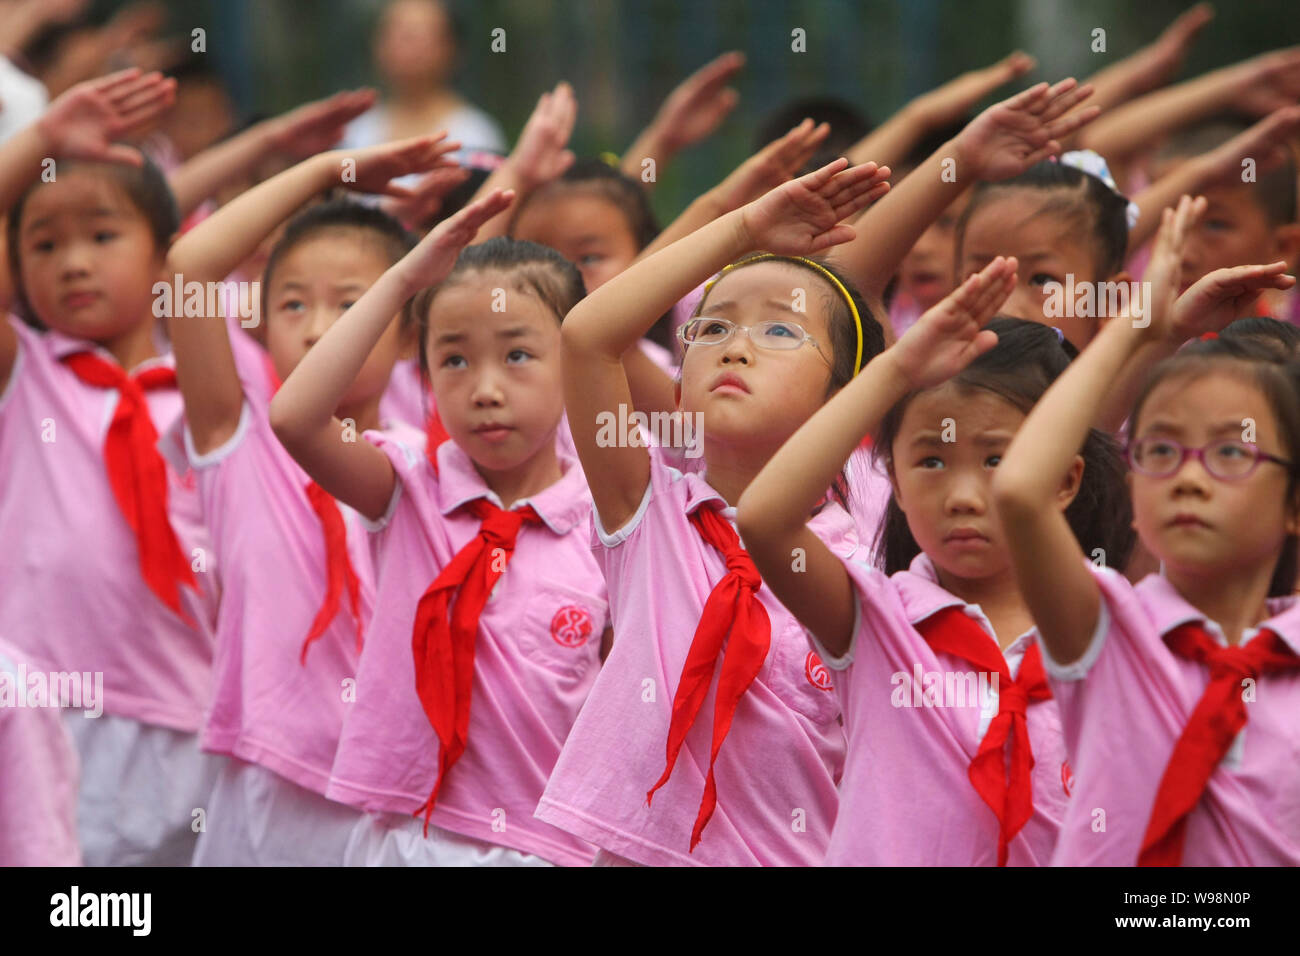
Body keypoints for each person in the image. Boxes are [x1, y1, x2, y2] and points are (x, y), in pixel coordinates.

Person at [537, 158, 891, 865]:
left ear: (845, 399)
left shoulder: (861, 570)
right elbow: (587, 335)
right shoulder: (650, 513)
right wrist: (744, 230)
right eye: (712, 329)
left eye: (781, 332)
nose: (736, 345)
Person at [270, 192, 610, 866]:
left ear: (574, 363)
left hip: (553, 845)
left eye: (517, 355)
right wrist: (403, 281)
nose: (484, 389)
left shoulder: (611, 524)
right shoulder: (407, 488)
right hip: (413, 838)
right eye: (453, 360)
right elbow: (295, 418)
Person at [993, 194, 1300, 865]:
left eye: (1231, 452)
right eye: (1159, 450)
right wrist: (1144, 329)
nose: (1189, 477)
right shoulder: (1108, 630)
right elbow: (1019, 490)